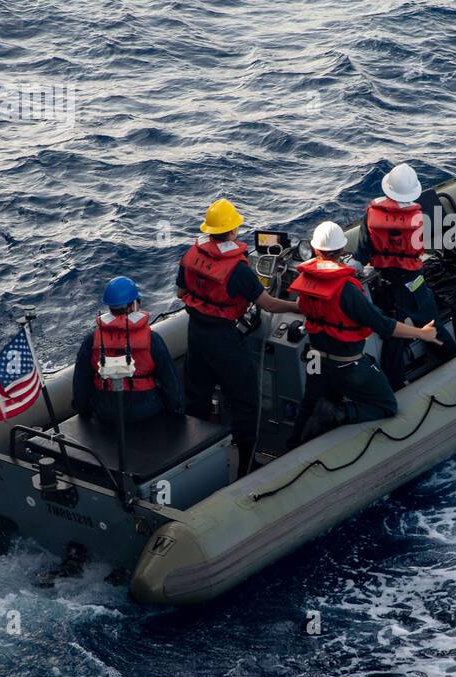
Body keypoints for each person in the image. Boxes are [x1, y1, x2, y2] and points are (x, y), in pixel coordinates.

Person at [285, 221, 440, 448]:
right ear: (342, 250)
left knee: (309, 404)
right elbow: (384, 325)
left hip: (315, 361)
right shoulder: (347, 290)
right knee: (386, 405)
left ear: (316, 250)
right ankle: (339, 413)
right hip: (347, 365)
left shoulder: (306, 281)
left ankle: (292, 446)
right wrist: (422, 333)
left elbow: (302, 307)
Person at [177, 198, 298, 476]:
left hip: (196, 335)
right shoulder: (238, 269)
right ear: (232, 231)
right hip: (225, 341)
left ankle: (193, 463)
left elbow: (181, 293)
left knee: (196, 397)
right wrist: (297, 306)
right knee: (246, 401)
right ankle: (246, 463)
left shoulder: (191, 256)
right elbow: (268, 304)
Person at [354, 162, 456, 389]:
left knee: (395, 332)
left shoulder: (371, 213)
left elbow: (361, 253)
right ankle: (452, 357)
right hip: (411, 282)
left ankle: (395, 383)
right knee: (430, 321)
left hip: (384, 282)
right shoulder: (416, 217)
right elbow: (416, 250)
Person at [72, 276, 183, 423]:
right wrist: (177, 410)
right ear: (133, 306)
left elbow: (81, 381)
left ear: (110, 306)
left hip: (105, 410)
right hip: (146, 409)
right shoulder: (152, 339)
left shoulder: (92, 340)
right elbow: (169, 380)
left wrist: (83, 410)